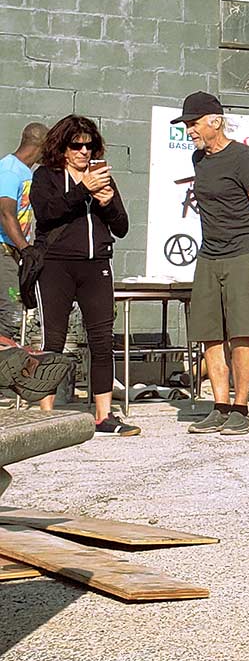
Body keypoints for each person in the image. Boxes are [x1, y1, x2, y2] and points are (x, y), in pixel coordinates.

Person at [176, 92, 249, 437]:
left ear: (214, 121)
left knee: (242, 333)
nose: (189, 130)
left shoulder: (243, 158)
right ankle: (219, 406)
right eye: (187, 125)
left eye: (193, 123)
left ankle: (240, 408)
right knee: (210, 334)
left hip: (243, 254)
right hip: (209, 255)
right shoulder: (198, 160)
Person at [29, 116, 135, 436]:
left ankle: (104, 415)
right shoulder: (46, 176)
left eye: (90, 145)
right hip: (57, 265)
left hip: (96, 265)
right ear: (62, 148)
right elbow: (46, 213)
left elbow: (121, 227)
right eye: (77, 145)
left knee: (102, 341)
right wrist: (81, 190)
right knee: (54, 341)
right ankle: (46, 415)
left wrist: (107, 203)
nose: (84, 151)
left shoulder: (100, 176)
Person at [0, 122, 46, 346]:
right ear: (42, 146)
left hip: (13, 251)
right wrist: (25, 248)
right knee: (11, 316)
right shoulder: (9, 170)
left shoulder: (25, 171)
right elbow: (5, 213)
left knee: (14, 314)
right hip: (3, 250)